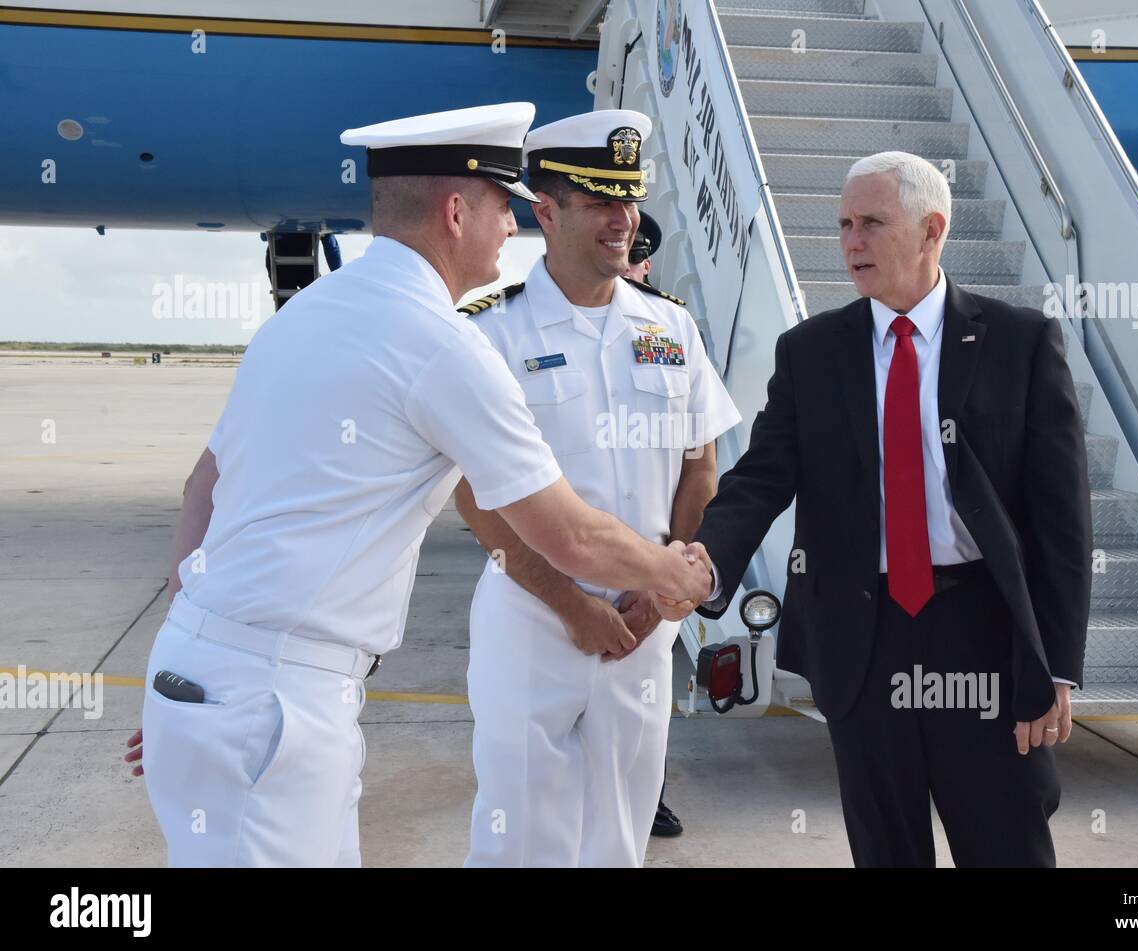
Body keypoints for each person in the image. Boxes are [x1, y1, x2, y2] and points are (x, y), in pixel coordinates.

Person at [135, 103, 712, 867]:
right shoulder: (440, 341)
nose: (512, 227)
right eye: (503, 205)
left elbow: (202, 488)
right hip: (275, 706)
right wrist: (676, 572)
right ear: (455, 211)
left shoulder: (304, 314)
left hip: (219, 681)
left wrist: (206, 648)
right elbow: (567, 532)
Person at [677, 150, 1091, 867]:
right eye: (843, 225)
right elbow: (760, 479)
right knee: (886, 850)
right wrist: (705, 562)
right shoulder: (811, 353)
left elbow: (1062, 523)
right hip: (862, 643)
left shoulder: (1018, 342)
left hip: (982, 636)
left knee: (1008, 843)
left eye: (871, 222)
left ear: (932, 230)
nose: (851, 242)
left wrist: (1056, 665)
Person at [454, 111, 740, 867]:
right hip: (532, 616)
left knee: (620, 831)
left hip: (644, 627)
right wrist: (569, 603)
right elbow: (476, 498)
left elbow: (699, 468)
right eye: (602, 202)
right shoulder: (492, 333)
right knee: (518, 833)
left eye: (631, 200)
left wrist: (658, 595)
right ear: (545, 211)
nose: (625, 220)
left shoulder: (671, 327)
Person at [617, 210, 684, 840]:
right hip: (555, 592)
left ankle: (653, 795)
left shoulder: (671, 324)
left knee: (647, 712)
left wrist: (676, 572)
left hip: (656, 576)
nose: (634, 266)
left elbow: (700, 462)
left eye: (640, 256)